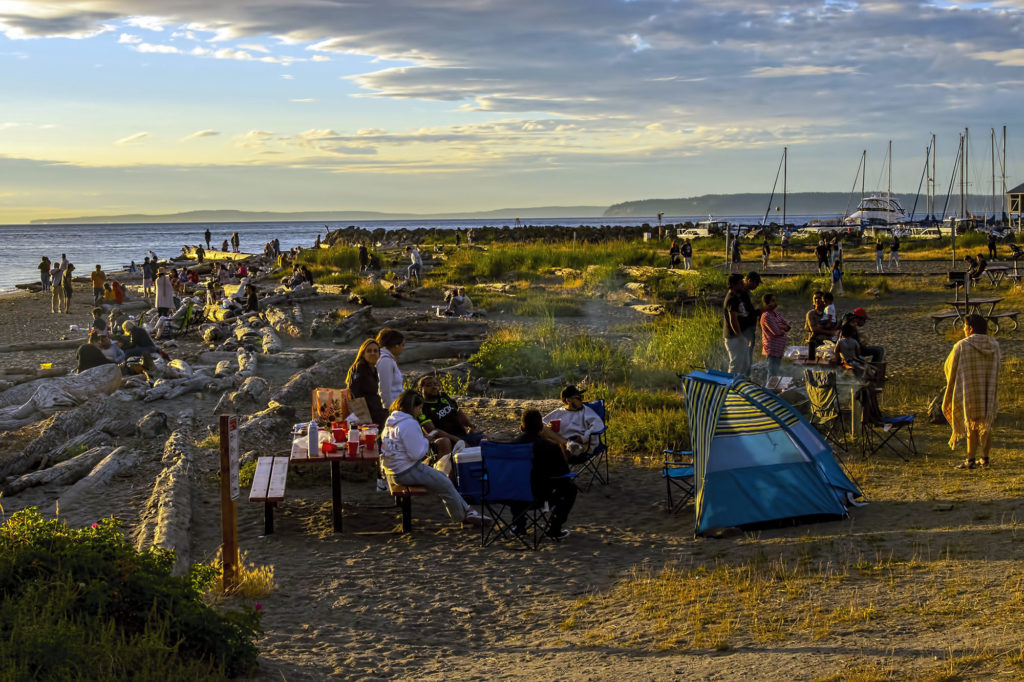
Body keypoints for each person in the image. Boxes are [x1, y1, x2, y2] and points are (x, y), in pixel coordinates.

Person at [380, 390, 489, 527]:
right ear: (412, 407)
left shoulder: (392, 422)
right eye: (419, 408)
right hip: (406, 470)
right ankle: (462, 517)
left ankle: (468, 511)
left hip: (392, 469)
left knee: (442, 479)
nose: (420, 412)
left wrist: (422, 439)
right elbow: (417, 454)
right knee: (445, 483)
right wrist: (427, 441)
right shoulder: (409, 424)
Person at [943, 314, 1001, 470]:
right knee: (986, 424)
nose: (963, 329)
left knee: (971, 424)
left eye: (964, 326)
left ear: (970, 328)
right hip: (988, 389)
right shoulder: (994, 345)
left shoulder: (962, 346)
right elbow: (998, 366)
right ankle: (985, 458)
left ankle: (970, 460)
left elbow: (949, 366)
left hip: (969, 389)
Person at [511, 409, 577, 540]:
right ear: (541, 427)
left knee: (516, 481)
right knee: (570, 487)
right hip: (540, 495)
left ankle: (519, 526)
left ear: (521, 427)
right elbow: (564, 473)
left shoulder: (510, 447)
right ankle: (554, 528)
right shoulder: (550, 447)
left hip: (512, 495)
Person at [416, 375, 484, 455]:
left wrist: (470, 426)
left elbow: (458, 413)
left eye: (436, 384)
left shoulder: (444, 397)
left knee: (487, 439)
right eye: (428, 385)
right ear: (420, 389)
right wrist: (458, 441)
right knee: (445, 442)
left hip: (462, 435)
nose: (434, 387)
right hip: (444, 441)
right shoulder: (421, 407)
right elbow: (433, 431)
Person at [543, 385, 604, 459]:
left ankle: (567, 449)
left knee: (564, 449)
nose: (581, 400)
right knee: (543, 429)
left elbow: (598, 425)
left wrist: (584, 438)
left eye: (582, 397)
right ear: (568, 400)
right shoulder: (558, 412)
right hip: (562, 443)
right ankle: (567, 445)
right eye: (578, 398)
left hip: (579, 444)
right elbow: (541, 424)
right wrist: (550, 427)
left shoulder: (585, 410)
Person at [346, 338, 388, 426]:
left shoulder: (373, 369)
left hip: (374, 411)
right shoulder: (359, 368)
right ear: (363, 354)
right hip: (365, 415)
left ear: (379, 354)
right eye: (369, 351)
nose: (372, 353)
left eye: (375, 351)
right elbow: (354, 391)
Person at [722, 273, 751, 376]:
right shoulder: (731, 299)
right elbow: (733, 320)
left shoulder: (737, 297)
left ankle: (740, 386)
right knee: (736, 364)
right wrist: (740, 336)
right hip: (734, 337)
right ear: (733, 285)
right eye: (740, 283)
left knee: (744, 364)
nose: (743, 285)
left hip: (739, 336)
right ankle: (730, 387)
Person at [759, 293, 790, 379]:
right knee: (772, 374)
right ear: (766, 303)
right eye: (772, 301)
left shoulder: (776, 314)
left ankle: (774, 391)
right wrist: (781, 327)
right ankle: (769, 391)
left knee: (775, 374)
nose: (775, 303)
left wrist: (780, 326)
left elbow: (788, 326)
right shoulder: (766, 316)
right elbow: (776, 332)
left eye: (775, 300)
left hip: (779, 350)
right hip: (771, 349)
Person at [375, 328, 405, 409]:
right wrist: (389, 408)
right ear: (396, 345)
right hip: (391, 407)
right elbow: (384, 389)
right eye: (402, 345)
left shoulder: (388, 359)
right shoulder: (386, 361)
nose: (403, 348)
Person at [804, 290, 835, 362]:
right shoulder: (811, 313)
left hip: (828, 341)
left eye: (819, 298)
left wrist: (821, 327)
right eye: (815, 298)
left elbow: (832, 326)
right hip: (815, 340)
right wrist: (828, 331)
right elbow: (814, 329)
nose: (817, 300)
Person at [741, 271, 762, 367]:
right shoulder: (742, 294)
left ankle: (747, 369)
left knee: (749, 352)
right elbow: (745, 312)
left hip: (749, 328)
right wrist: (758, 312)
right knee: (744, 353)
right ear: (749, 280)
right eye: (756, 283)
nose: (757, 286)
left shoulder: (748, 293)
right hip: (744, 328)